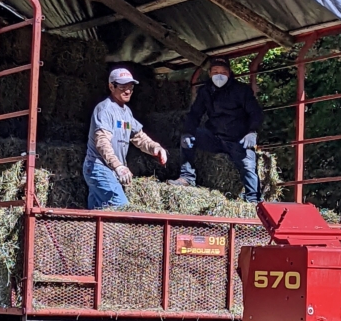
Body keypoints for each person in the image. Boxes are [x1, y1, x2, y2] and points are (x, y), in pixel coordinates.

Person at [172, 58, 264, 204]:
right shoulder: (205, 91)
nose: (219, 75)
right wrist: (188, 132)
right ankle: (187, 177)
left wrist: (252, 132)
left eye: (223, 72)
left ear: (229, 73)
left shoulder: (241, 90)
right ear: (209, 73)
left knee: (248, 165)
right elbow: (195, 114)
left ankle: (253, 199)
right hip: (215, 138)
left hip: (238, 139)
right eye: (215, 72)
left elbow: (255, 113)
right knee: (187, 139)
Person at [83, 65, 168, 209]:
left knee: (98, 215)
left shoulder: (126, 112)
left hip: (108, 170)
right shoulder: (105, 110)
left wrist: (156, 147)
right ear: (111, 86)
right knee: (122, 208)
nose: (128, 91)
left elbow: (138, 136)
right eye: (122, 87)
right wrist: (118, 166)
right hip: (99, 167)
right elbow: (102, 142)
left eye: (130, 87)